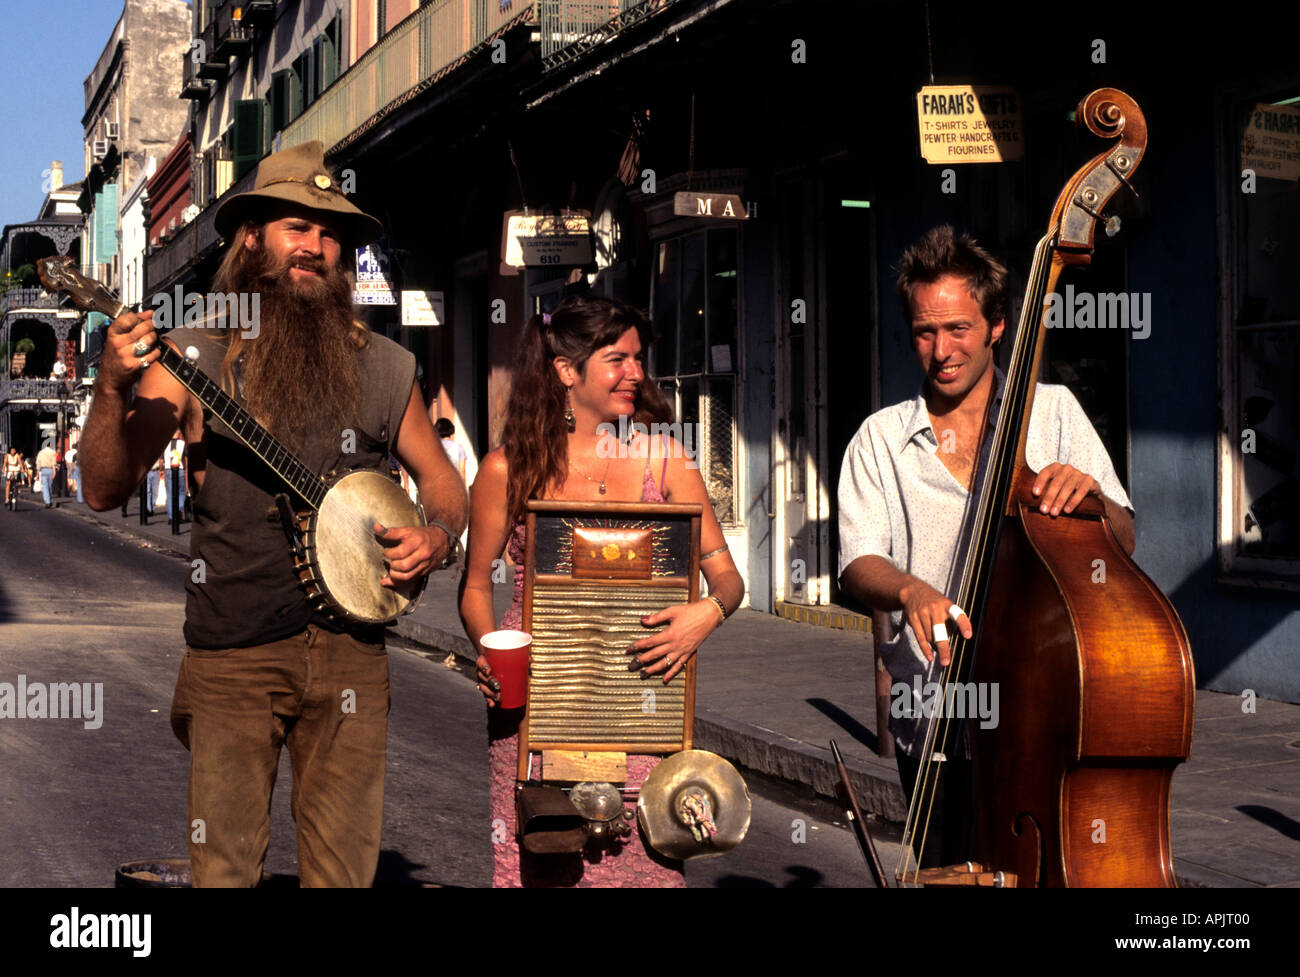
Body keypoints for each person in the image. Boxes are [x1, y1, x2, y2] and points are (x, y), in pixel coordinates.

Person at [79, 140, 468, 887]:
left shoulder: (384, 365)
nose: (316, 248)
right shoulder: (194, 354)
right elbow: (102, 487)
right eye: (299, 227)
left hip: (354, 650)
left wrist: (437, 534)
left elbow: (446, 486)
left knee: (345, 876)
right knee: (223, 871)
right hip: (233, 653)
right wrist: (108, 388)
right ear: (253, 237)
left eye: (330, 235)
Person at [837, 226, 1134, 866]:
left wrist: (1091, 500)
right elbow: (858, 562)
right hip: (935, 717)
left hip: (1043, 714)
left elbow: (1125, 538)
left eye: (958, 329)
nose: (940, 350)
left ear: (998, 325)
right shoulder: (880, 439)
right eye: (923, 331)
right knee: (946, 871)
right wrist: (911, 590)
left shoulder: (1053, 413)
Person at [458, 296, 744, 888]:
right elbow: (476, 581)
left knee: (645, 871)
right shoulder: (507, 470)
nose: (636, 373)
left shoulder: (666, 459)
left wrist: (705, 615)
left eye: (639, 358)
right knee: (543, 865)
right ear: (566, 370)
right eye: (618, 359)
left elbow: (728, 579)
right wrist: (490, 649)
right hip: (539, 702)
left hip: (641, 699)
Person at [435, 417, 467, 482]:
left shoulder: (433, 447)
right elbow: (462, 471)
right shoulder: (459, 447)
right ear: (451, 429)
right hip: (453, 485)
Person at [35, 442, 56, 508]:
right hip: (50, 470)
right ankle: (49, 499)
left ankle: (47, 501)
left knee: (45, 486)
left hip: (43, 470)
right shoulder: (53, 452)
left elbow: (38, 463)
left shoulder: (40, 453)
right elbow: (54, 463)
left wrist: (37, 473)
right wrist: (54, 472)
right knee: (50, 486)